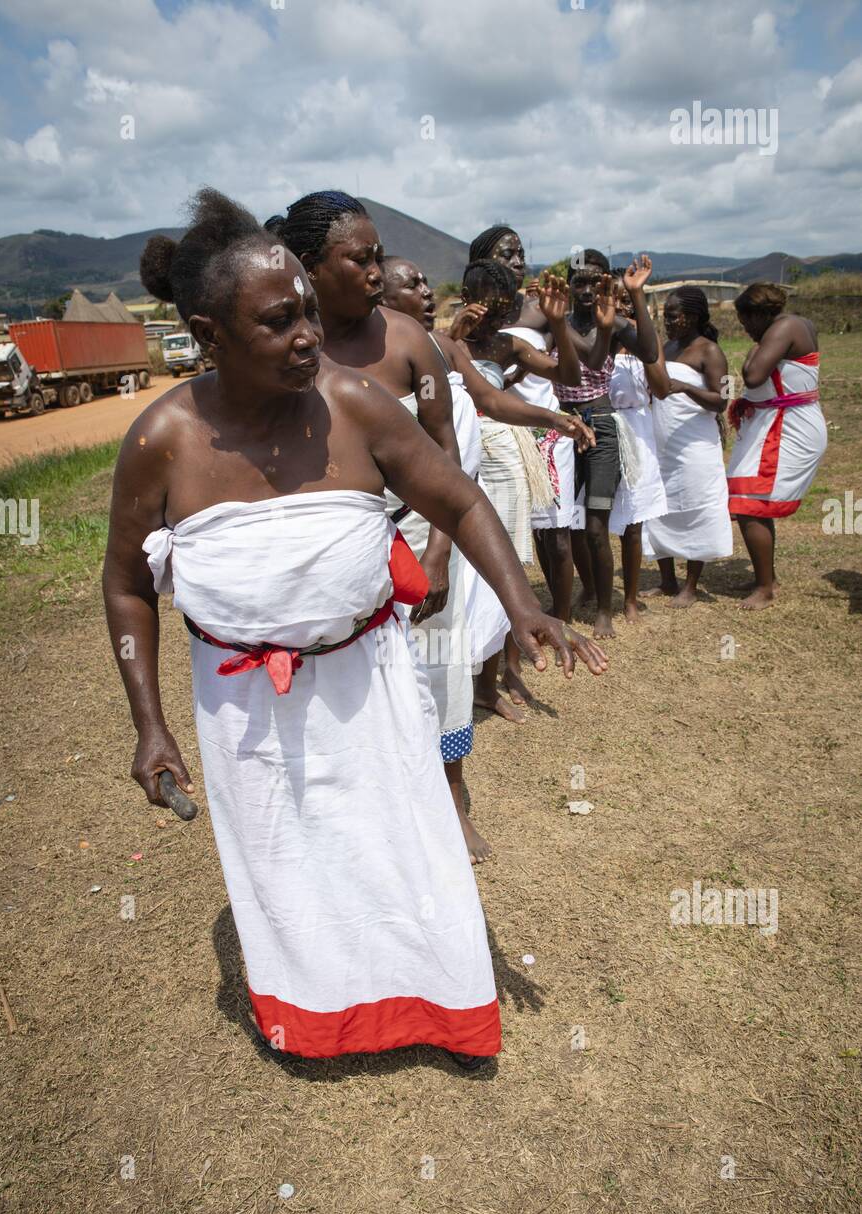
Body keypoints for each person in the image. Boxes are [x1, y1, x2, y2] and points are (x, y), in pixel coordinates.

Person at [103, 188, 608, 1069]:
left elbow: (457, 495)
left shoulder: (355, 406)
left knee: (399, 839)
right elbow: (124, 587)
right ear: (208, 335)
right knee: (287, 858)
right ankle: (317, 1009)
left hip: (368, 684)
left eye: (307, 309)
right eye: (277, 321)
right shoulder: (164, 440)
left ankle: (429, 997)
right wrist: (150, 725)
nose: (308, 334)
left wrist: (523, 604)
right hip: (243, 712)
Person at [267, 193, 487, 860]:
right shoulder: (287, 348)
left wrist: (442, 553)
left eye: (376, 256)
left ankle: (451, 794)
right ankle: (365, 810)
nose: (374, 270)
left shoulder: (407, 339)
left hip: (420, 536)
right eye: (358, 259)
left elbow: (446, 455)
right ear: (310, 267)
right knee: (348, 682)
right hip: (333, 550)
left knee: (440, 672)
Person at [449, 258, 590, 713]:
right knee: (456, 566)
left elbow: (568, 377)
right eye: (487, 300)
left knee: (503, 560)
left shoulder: (508, 345)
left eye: (505, 302)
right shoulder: (440, 340)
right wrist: (452, 335)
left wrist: (557, 324)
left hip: (500, 455)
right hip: (454, 455)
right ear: (468, 297)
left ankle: (504, 672)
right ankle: (460, 668)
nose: (495, 312)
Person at [470, 225, 586, 626]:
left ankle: (562, 616)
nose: (518, 262)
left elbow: (569, 372)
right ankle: (500, 618)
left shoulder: (539, 310)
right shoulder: (467, 320)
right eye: (507, 254)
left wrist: (557, 323)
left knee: (554, 532)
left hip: (545, 433)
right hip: (491, 439)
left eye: (520, 253)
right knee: (501, 532)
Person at [556, 250, 660, 637]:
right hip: (561, 425)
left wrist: (635, 295)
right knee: (563, 525)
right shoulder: (555, 322)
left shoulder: (614, 324)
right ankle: (568, 600)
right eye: (578, 281)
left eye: (595, 281)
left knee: (597, 524)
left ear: (606, 284)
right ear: (568, 285)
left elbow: (649, 352)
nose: (586, 289)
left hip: (600, 424)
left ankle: (604, 609)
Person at [726, 282, 827, 610]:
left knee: (747, 503)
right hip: (777, 423)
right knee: (752, 500)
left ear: (760, 313)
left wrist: (754, 349)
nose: (746, 331)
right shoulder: (794, 324)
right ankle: (764, 576)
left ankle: (766, 587)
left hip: (789, 428)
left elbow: (753, 375)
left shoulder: (785, 327)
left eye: (746, 322)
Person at [642, 287, 734, 605]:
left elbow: (721, 401)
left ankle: (691, 585)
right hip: (663, 443)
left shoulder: (709, 351)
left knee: (697, 506)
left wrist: (682, 387)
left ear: (692, 316)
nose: (667, 321)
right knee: (660, 509)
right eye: (665, 316)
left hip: (695, 445)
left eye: (673, 315)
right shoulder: (667, 346)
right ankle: (667, 579)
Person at [607, 275, 668, 623]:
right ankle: (594, 587)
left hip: (637, 430)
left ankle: (629, 598)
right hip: (601, 424)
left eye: (629, 301)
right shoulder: (594, 338)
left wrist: (643, 348)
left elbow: (660, 388)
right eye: (617, 300)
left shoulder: (645, 341)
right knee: (591, 520)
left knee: (633, 521)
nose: (623, 307)